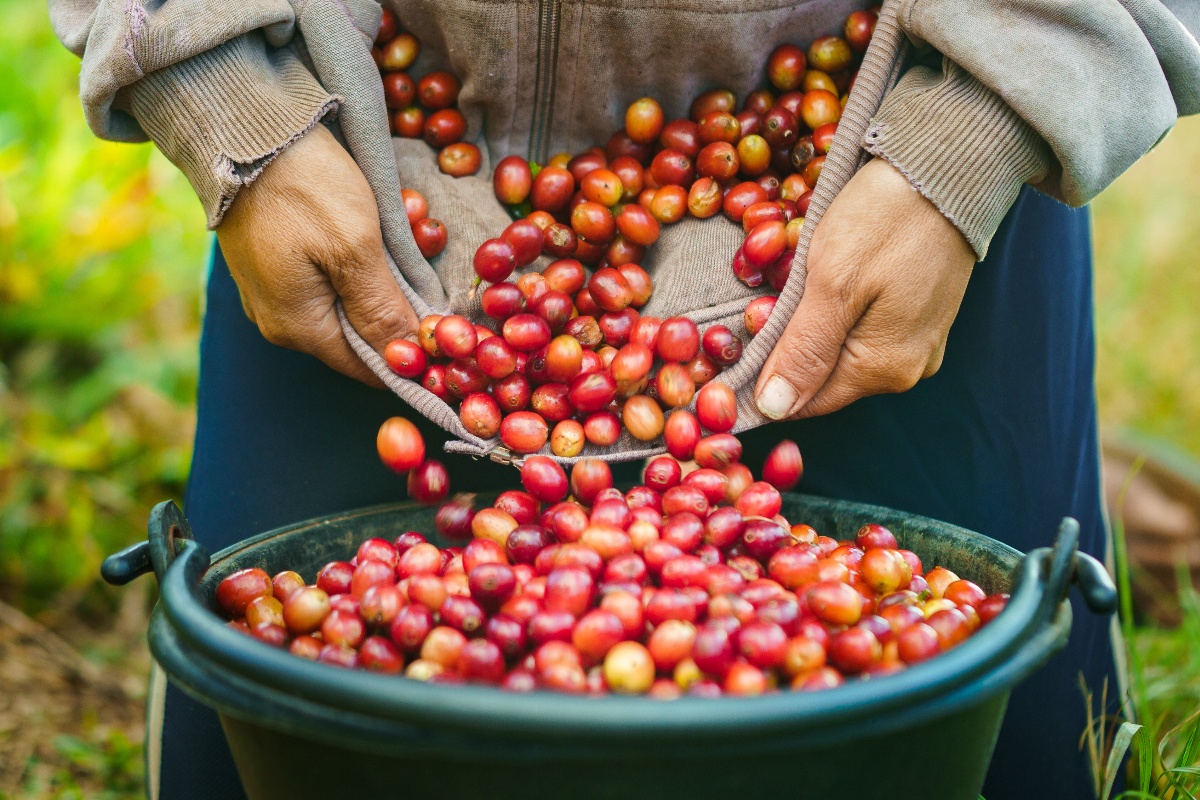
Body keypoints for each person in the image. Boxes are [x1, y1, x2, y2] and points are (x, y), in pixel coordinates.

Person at [51, 0, 1200, 797]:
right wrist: (229, 97)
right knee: (280, 709)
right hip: (366, 161)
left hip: (877, 152)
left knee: (1009, 731)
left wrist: (976, 132)